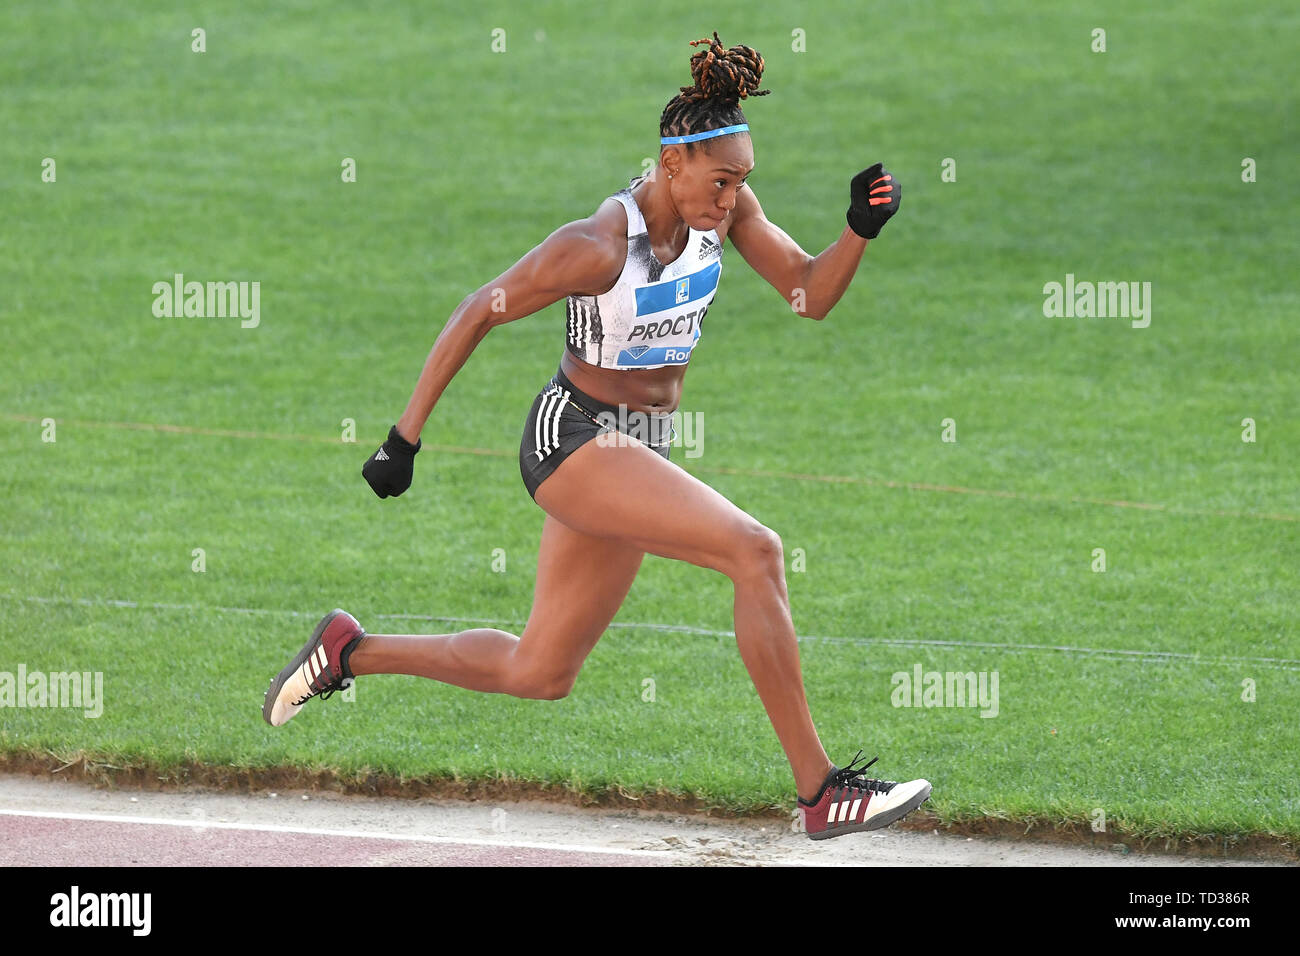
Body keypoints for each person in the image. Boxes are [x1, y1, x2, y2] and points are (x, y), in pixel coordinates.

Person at [264, 32, 931, 840]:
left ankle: (349, 651)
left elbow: (807, 294)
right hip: (572, 439)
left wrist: (858, 230)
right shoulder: (600, 244)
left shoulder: (727, 213)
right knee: (754, 551)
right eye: (720, 181)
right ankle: (821, 791)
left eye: (742, 181)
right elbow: (484, 305)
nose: (732, 198)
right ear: (670, 163)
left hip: (639, 449)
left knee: (540, 671)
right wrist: (403, 438)